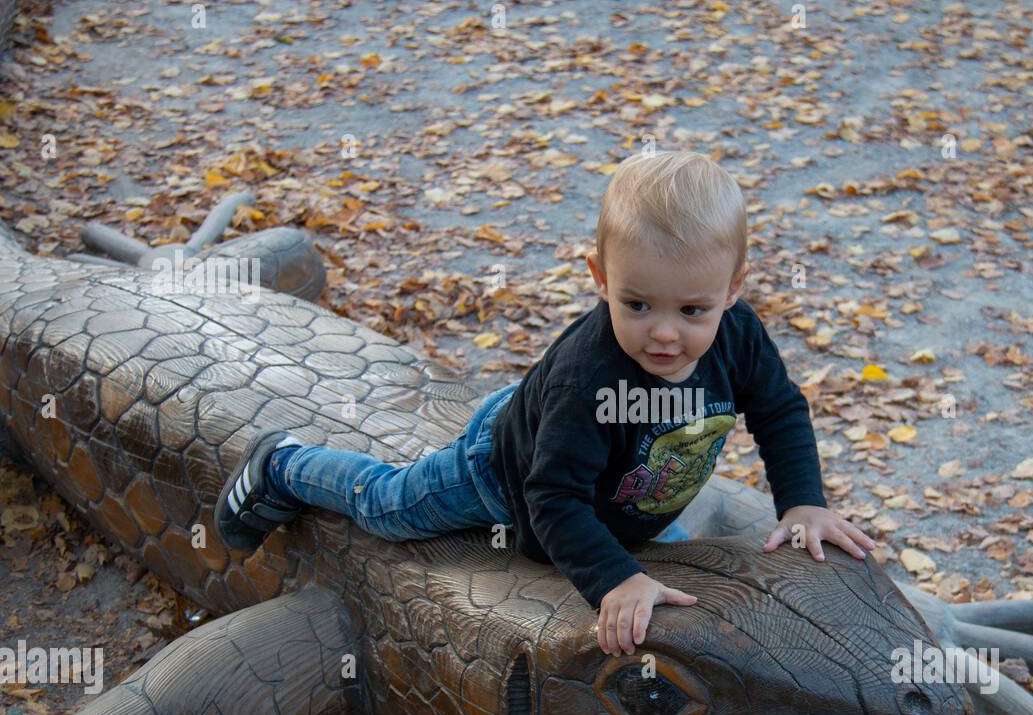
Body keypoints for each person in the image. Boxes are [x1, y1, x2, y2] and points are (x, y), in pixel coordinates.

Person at [217, 150, 876, 656]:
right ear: (600, 279)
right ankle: (286, 464)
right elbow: (551, 500)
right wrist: (613, 579)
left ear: (732, 291)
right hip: (504, 467)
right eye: (638, 304)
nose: (666, 332)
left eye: (692, 309)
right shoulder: (590, 379)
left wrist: (803, 500)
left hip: (610, 483)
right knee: (389, 507)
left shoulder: (738, 336)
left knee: (676, 583)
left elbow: (781, 411)